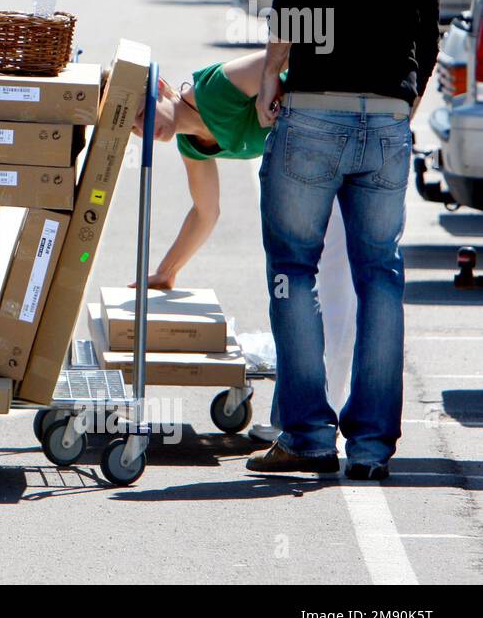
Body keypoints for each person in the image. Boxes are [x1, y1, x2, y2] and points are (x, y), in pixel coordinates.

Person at [249, 0, 439, 480]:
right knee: (380, 274)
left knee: (293, 267)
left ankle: (304, 434)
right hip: (388, 119)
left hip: (315, 113)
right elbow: (428, 38)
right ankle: (369, 445)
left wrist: (274, 70)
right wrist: (396, 111)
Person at [133, 50, 356, 440]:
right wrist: (166, 273)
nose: (144, 127)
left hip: (337, 144)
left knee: (333, 285)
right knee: (300, 290)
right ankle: (300, 418)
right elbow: (206, 212)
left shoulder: (217, 86)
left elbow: (286, 55)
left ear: (164, 88)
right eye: (133, 127)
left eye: (143, 112)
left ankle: (319, 419)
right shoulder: (192, 145)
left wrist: (281, 97)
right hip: (308, 175)